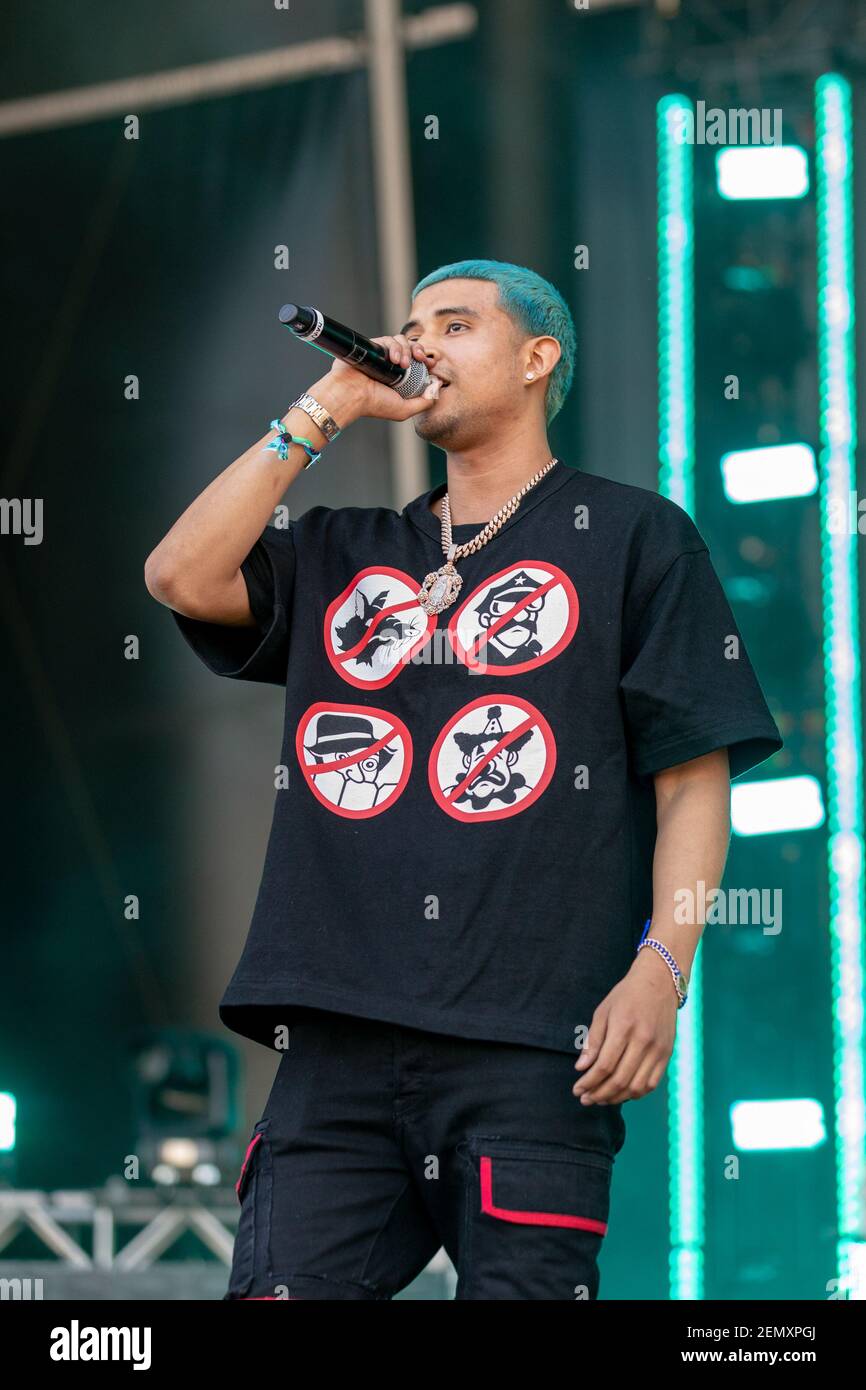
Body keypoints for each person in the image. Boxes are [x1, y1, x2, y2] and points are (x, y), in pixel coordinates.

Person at [144, 258, 783, 1300]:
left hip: (528, 1042)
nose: (420, 344)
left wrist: (660, 968)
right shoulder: (349, 549)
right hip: (334, 1033)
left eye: (454, 324)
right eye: (408, 327)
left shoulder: (631, 535)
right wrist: (331, 400)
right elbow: (179, 573)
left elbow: (692, 782)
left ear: (537, 360)